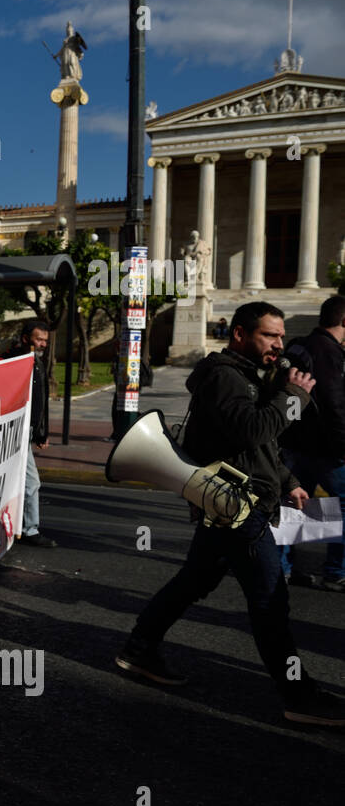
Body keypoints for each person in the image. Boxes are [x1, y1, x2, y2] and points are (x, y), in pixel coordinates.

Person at [115, 301, 343, 725]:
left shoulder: (248, 375)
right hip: (238, 507)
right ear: (239, 334)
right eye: (268, 336)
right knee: (269, 601)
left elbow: (259, 446)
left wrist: (288, 480)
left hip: (232, 502)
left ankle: (139, 649)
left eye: (279, 336)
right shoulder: (225, 377)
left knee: (194, 580)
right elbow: (252, 429)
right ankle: (298, 695)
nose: (278, 344)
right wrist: (292, 395)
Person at [279, 294, 345, 592]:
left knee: (293, 505)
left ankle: (282, 568)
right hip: (326, 447)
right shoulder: (329, 352)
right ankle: (336, 571)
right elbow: (334, 403)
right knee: (341, 504)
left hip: (293, 441)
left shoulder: (299, 344)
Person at [3, 320, 56, 548]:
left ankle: (22, 526)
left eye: (45, 340)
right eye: (38, 339)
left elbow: (41, 398)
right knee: (31, 481)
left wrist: (42, 432)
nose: (43, 344)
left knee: (24, 480)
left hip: (29, 429)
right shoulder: (11, 361)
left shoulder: (39, 362)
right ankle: (29, 529)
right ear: (26, 339)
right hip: (14, 429)